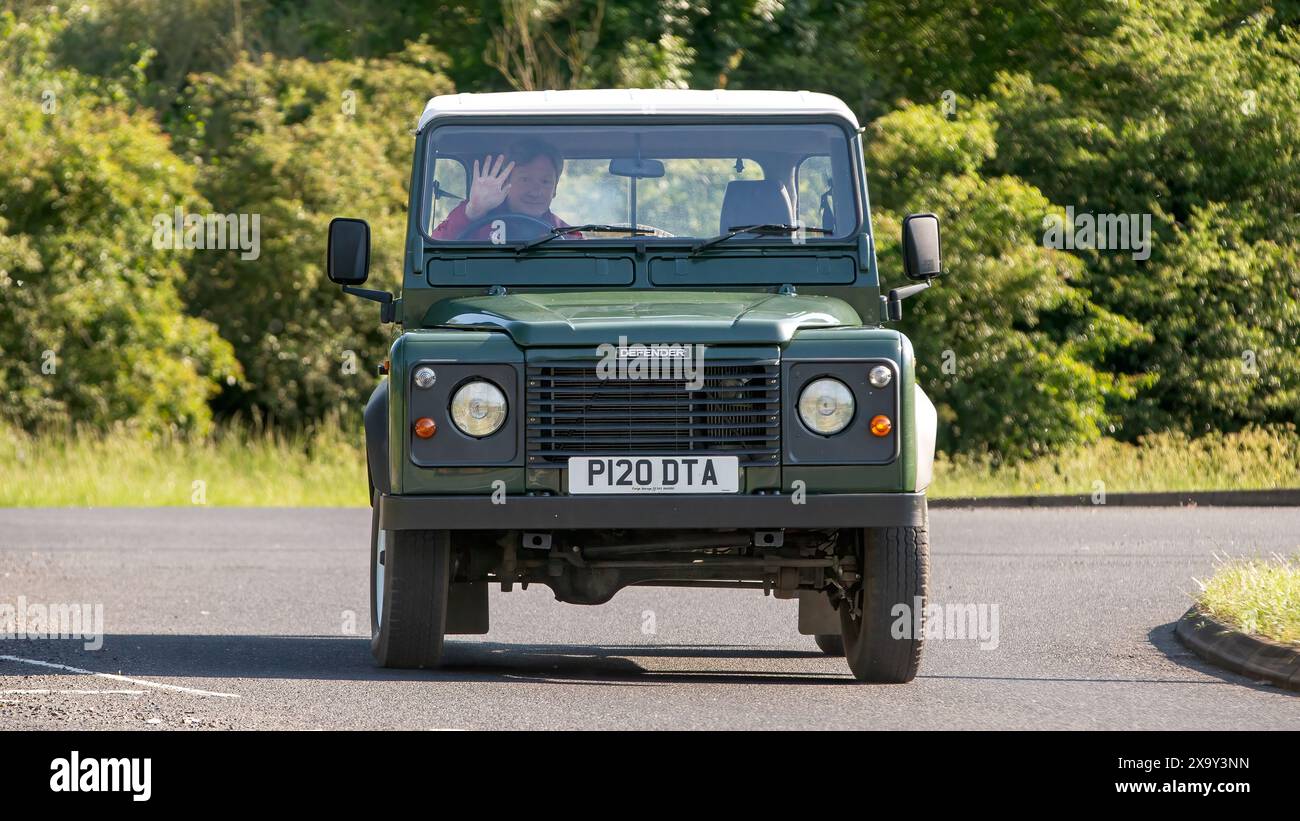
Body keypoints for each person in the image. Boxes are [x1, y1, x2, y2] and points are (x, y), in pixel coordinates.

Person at [431, 139, 579, 240]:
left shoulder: (566, 235)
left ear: (554, 189)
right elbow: (433, 249)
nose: (535, 191)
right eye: (525, 179)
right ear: (506, 182)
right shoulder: (473, 219)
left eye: (545, 182)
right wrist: (473, 211)